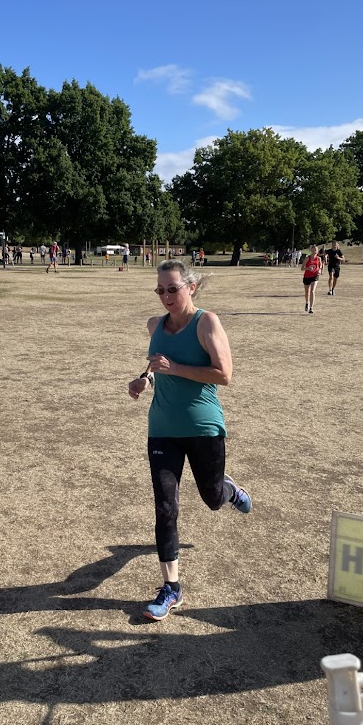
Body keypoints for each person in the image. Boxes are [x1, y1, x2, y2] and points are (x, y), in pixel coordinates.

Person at [128, 259, 252, 621]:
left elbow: (224, 374)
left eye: (173, 288)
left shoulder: (206, 322)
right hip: (162, 427)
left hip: (203, 427)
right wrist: (143, 381)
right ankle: (172, 588)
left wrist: (175, 368)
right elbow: (155, 366)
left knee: (212, 498)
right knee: (166, 507)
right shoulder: (155, 325)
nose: (166, 296)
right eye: (160, 290)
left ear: (191, 287)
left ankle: (229, 489)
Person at [301, 244, 322, 314]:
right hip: (307, 276)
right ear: (311, 250)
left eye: (316, 249)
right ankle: (307, 303)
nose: (315, 250)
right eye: (314, 249)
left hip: (315, 276)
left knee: (312, 291)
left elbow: (320, 266)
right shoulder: (307, 258)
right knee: (307, 292)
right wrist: (308, 268)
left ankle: (311, 307)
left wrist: (320, 270)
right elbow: (302, 268)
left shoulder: (319, 259)